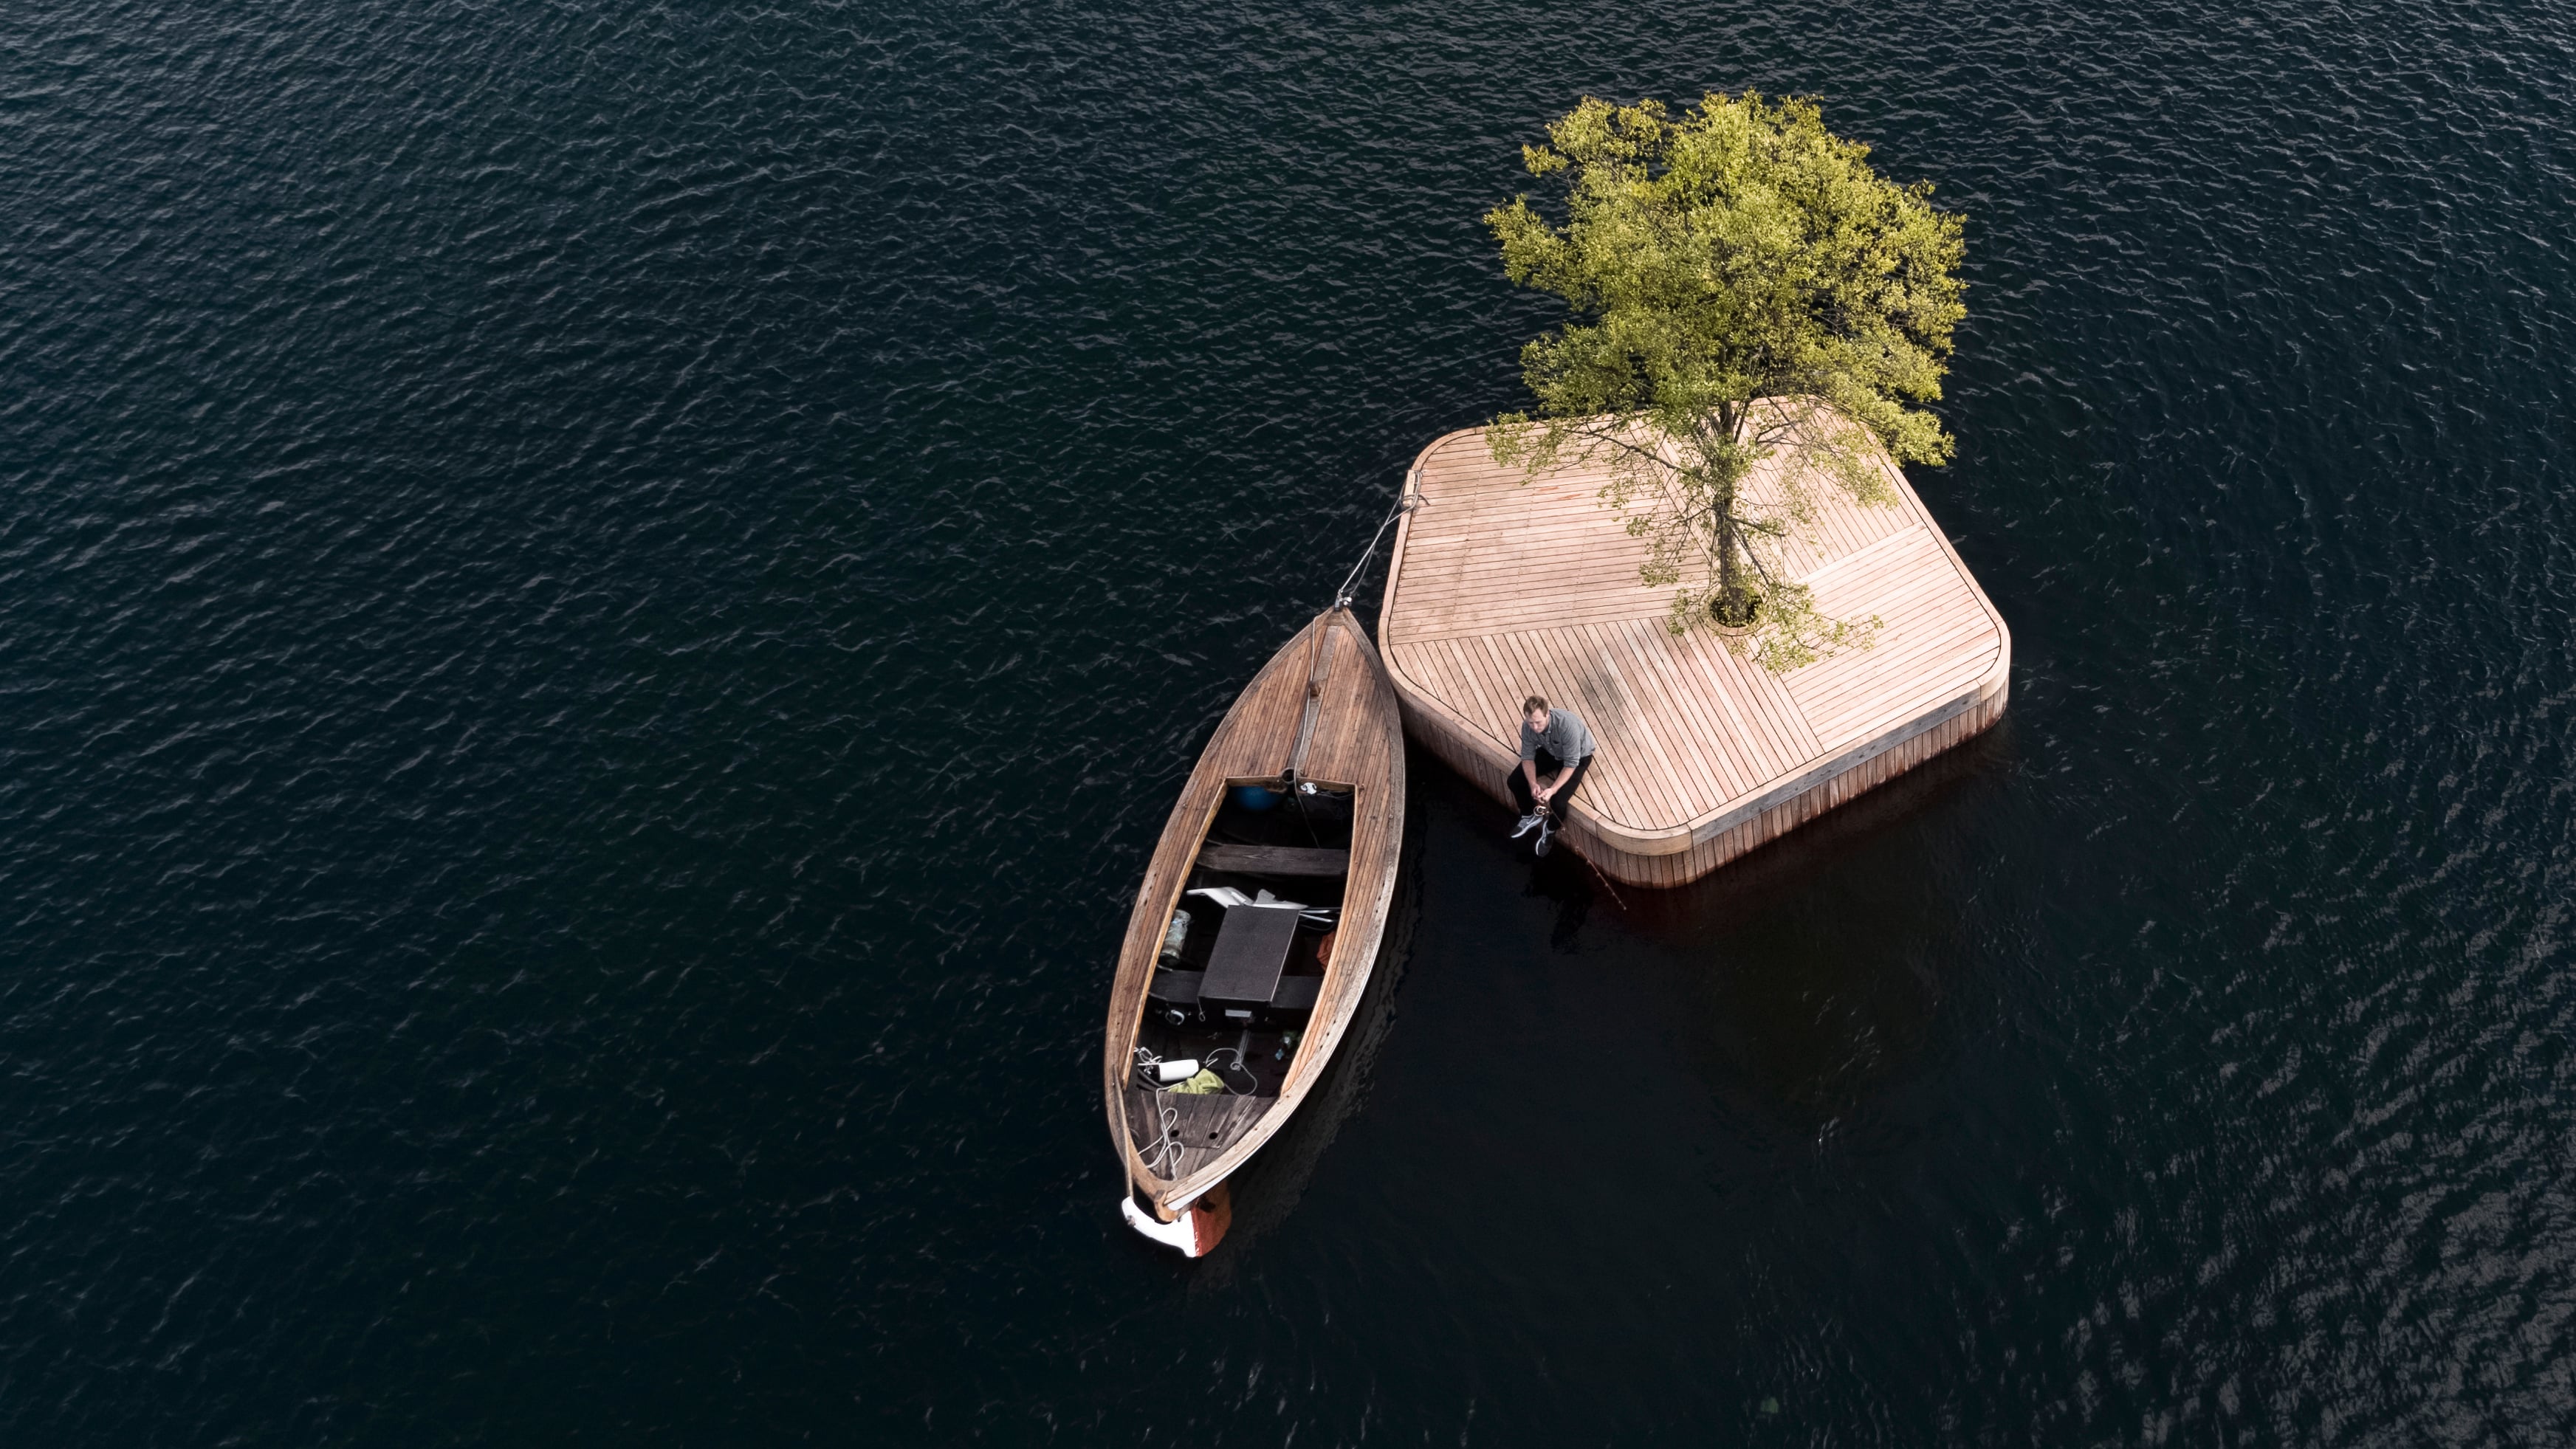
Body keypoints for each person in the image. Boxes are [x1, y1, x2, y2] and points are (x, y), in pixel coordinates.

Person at [1507, 695, 1594, 856]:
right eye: (1530, 722)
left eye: (1538, 722)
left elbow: (1571, 763)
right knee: (1514, 781)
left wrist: (1552, 789)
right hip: (1551, 751)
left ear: (1548, 714)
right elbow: (1527, 757)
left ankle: (1550, 829)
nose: (1534, 727)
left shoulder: (1567, 726)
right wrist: (1533, 783)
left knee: (1559, 803)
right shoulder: (1528, 727)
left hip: (1578, 758)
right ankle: (1529, 814)